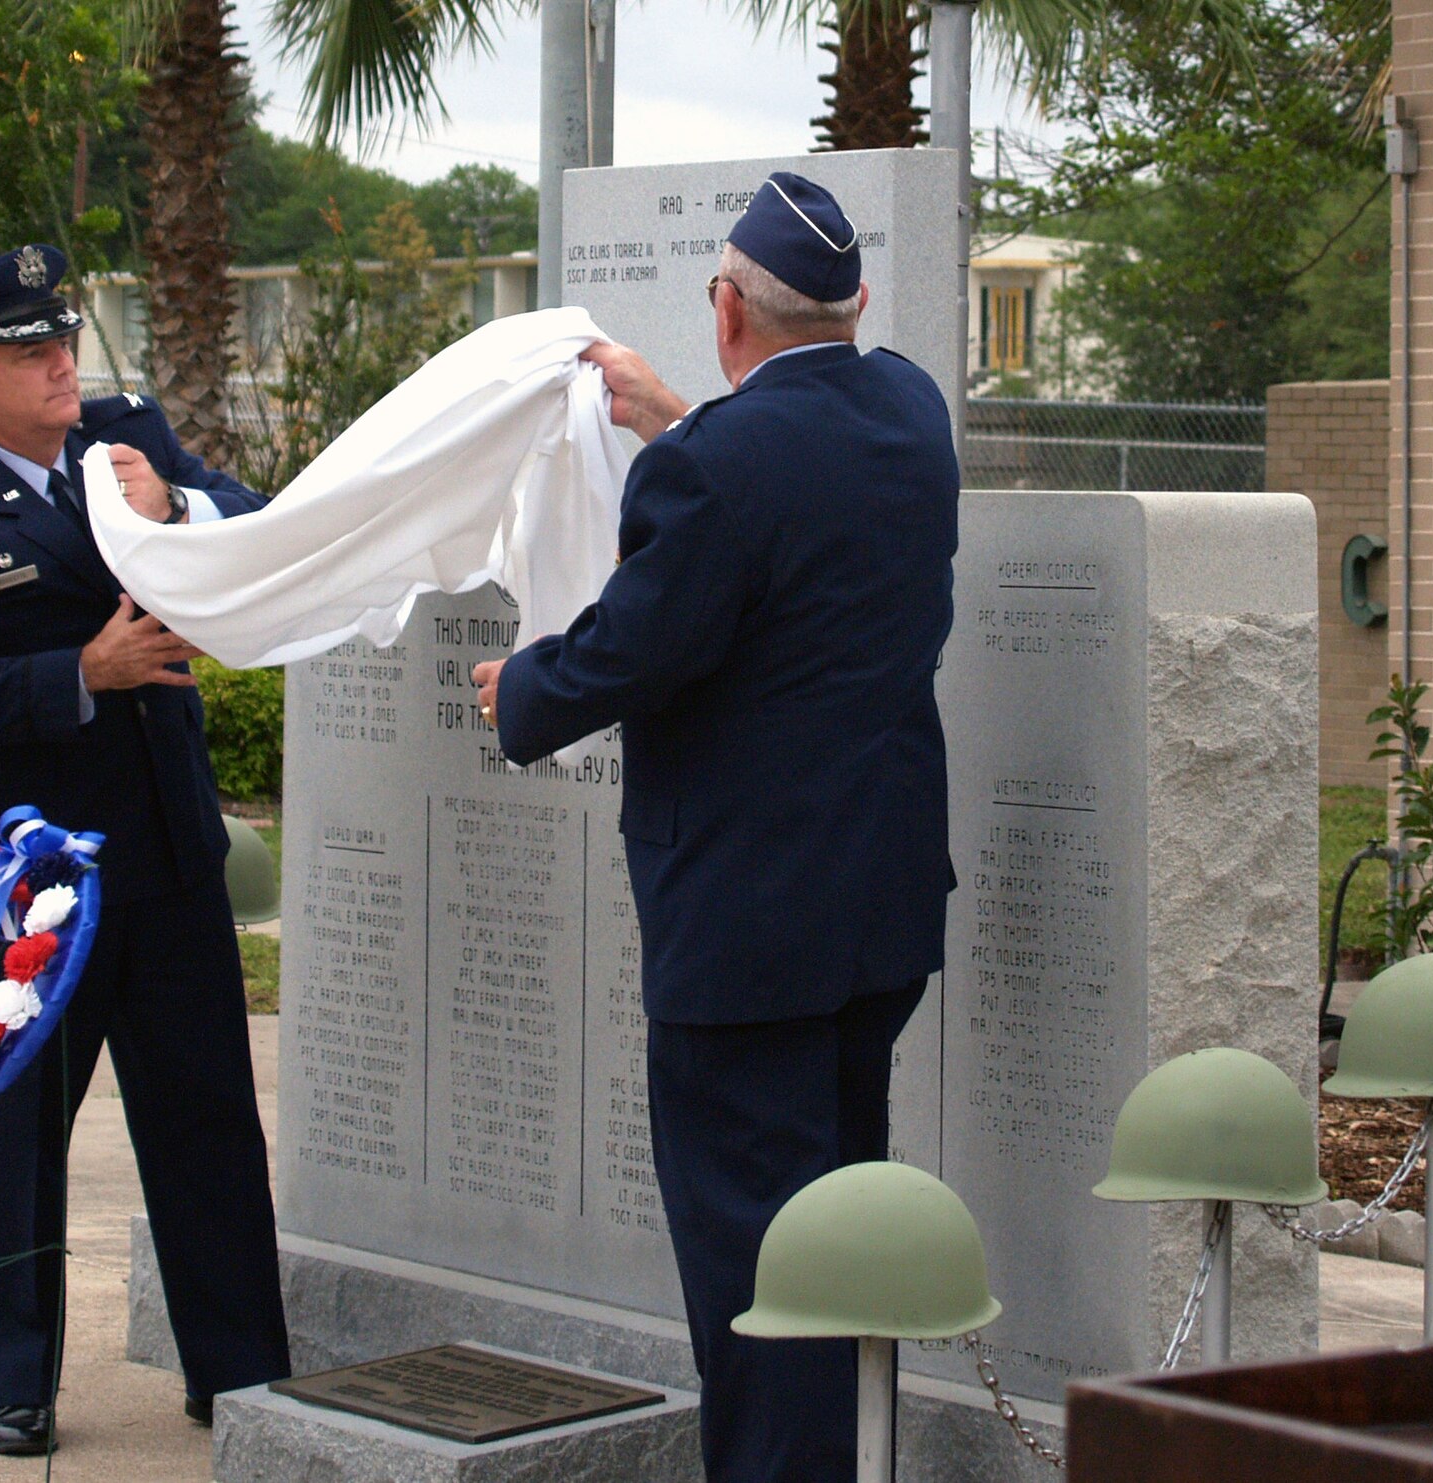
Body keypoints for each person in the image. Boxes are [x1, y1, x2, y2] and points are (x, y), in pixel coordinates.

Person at [471, 174, 959, 1482]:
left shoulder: (715, 468)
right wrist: (673, 413)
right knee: (845, 1229)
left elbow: (641, 646)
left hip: (747, 930)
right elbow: (790, 494)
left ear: (725, 307)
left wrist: (522, 688)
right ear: (855, 305)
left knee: (760, 1272)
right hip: (880, 913)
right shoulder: (913, 413)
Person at [0, 244, 289, 1457]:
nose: (61, 365)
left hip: (165, 853)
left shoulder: (127, 434)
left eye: (61, 342)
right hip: (30, 886)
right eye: (26, 354)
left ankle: (240, 1372)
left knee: (208, 1119)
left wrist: (182, 508)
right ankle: (18, 1380)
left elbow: (259, 525)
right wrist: (80, 672)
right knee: (19, 1142)